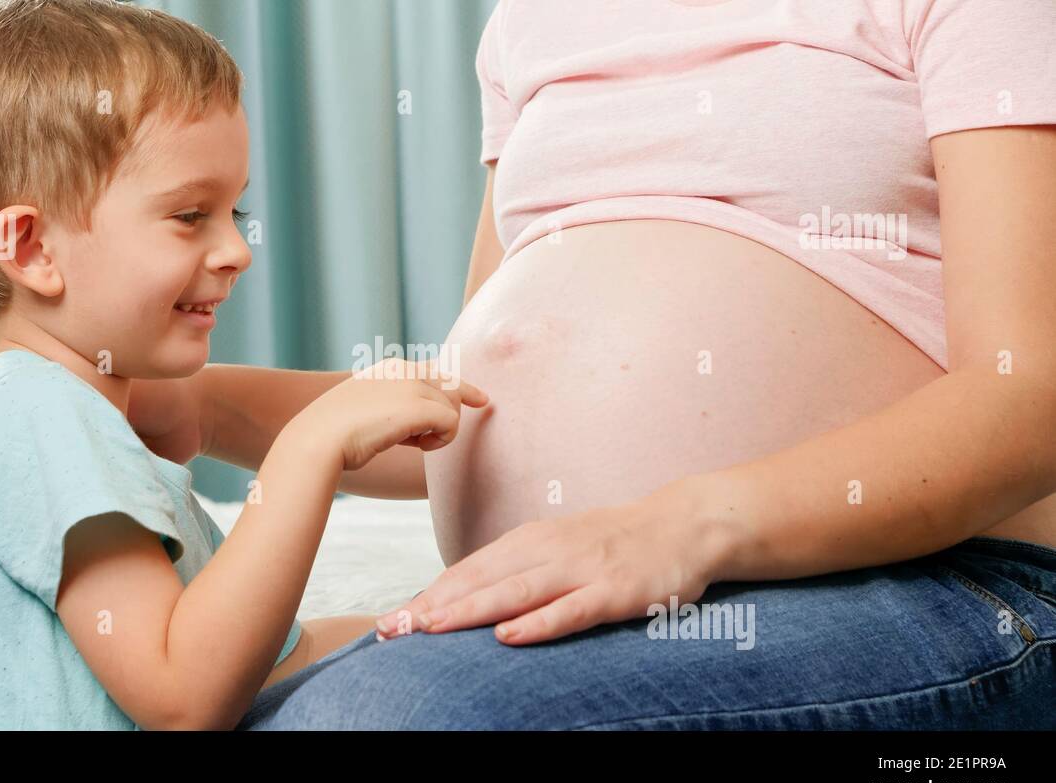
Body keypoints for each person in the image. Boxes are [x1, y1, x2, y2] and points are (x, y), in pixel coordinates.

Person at [227, 0, 1056, 729]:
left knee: (394, 713)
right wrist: (195, 408)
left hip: (929, 575)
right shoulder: (531, 20)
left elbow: (1032, 395)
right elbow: (455, 412)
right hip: (578, 595)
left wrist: (680, 527)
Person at [0, 0, 486, 730]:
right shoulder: (32, 413)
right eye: (189, 216)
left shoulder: (80, 410)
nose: (239, 250)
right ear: (32, 250)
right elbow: (183, 694)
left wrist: (420, 631)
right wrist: (311, 449)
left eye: (235, 213)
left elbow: (266, 660)